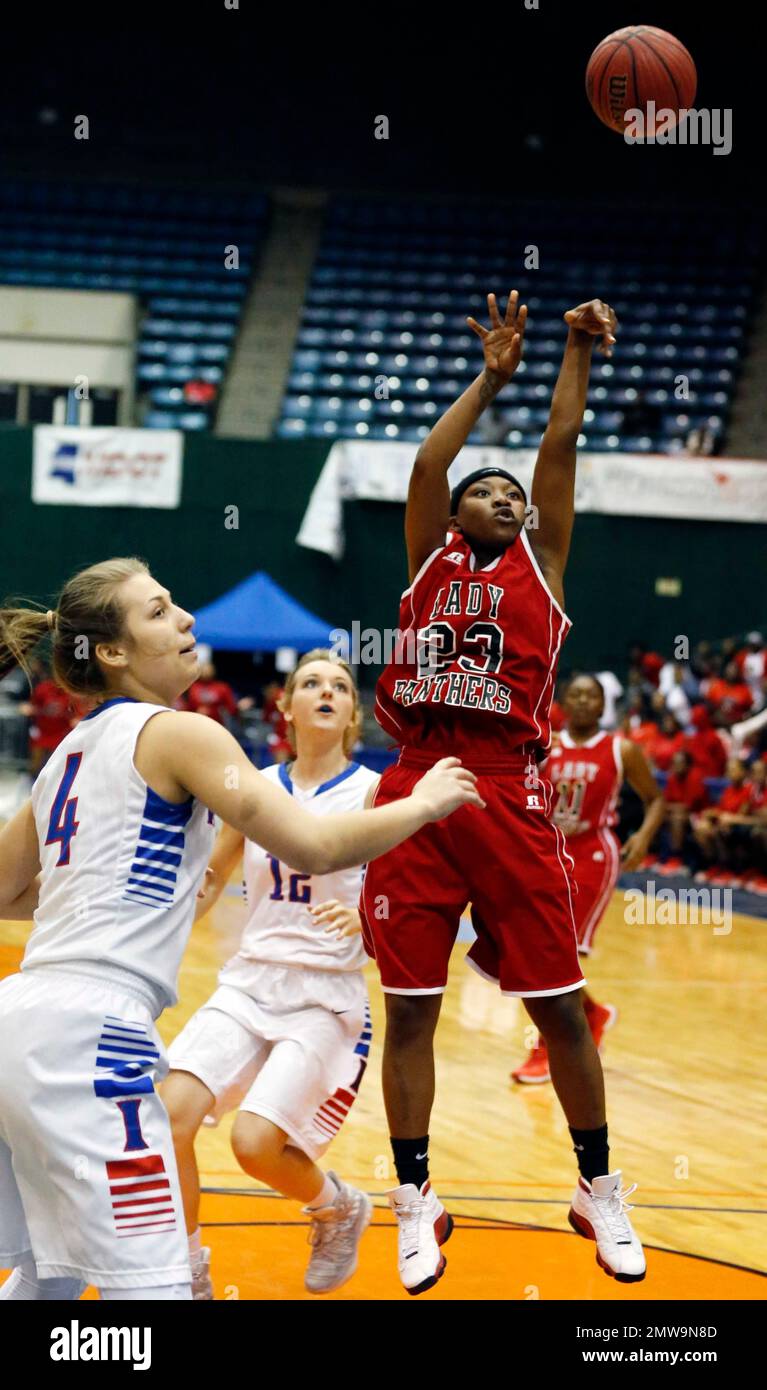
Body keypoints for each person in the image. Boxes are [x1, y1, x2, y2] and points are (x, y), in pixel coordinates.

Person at [0, 559, 481, 1302]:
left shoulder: (63, 754)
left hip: (20, 1017)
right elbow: (315, 846)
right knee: (150, 1291)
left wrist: (97, 892)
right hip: (94, 1032)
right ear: (116, 652)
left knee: (45, 1275)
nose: (186, 618)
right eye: (159, 612)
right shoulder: (183, 733)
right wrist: (424, 804)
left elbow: (7, 892)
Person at [361, 289, 647, 1292]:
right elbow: (428, 464)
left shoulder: (543, 561)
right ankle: (412, 1198)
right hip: (414, 780)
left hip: (503, 787)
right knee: (407, 1009)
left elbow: (560, 444)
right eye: (489, 491)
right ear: (455, 514)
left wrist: (573, 349)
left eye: (514, 494)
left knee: (560, 1006)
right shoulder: (424, 556)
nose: (506, 496)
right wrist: (490, 378)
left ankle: (596, 1184)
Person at [163, 651, 382, 1298]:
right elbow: (212, 878)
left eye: (338, 686)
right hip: (251, 981)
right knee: (168, 1113)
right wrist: (157, 928)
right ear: (284, 707)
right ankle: (187, 1268)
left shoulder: (371, 792)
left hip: (324, 998)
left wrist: (373, 918)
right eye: (309, 683)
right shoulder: (255, 788)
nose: (324, 691)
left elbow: (418, 892)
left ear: (351, 714)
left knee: (255, 1145)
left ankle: (336, 1205)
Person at [512, 674, 664, 1083]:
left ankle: (546, 1049)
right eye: (575, 694)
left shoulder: (622, 749)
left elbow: (656, 799)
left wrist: (644, 836)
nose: (582, 701)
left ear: (602, 706)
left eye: (591, 696)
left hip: (594, 854)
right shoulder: (546, 745)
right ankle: (593, 1015)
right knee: (532, 955)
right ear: (563, 701)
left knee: (556, 961)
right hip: (547, 854)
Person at [661, 749, 709, 875]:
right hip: (678, 813)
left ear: (688, 765)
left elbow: (687, 807)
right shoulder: (672, 778)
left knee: (678, 819)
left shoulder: (695, 778)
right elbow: (664, 802)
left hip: (698, 816)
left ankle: (676, 858)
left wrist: (670, 807)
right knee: (655, 815)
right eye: (674, 763)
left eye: (679, 763)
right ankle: (651, 855)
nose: (676, 766)